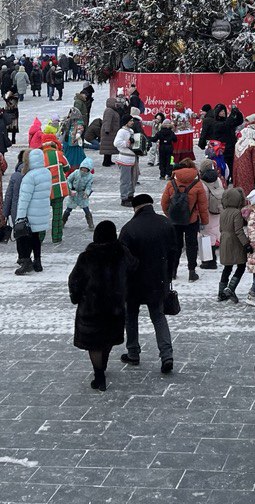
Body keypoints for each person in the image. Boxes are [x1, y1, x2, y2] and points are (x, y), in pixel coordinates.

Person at [68, 219, 135, 391]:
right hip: (115, 307)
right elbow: (134, 266)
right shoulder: (121, 252)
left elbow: (74, 280)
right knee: (108, 339)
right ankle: (103, 364)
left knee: (94, 343)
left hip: (92, 308)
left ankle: (99, 376)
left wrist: (76, 297)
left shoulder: (87, 257)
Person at [118, 193, 176, 371]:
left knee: (131, 316)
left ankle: (133, 352)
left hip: (134, 282)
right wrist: (169, 273)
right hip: (158, 280)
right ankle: (167, 355)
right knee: (158, 316)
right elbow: (174, 250)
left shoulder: (129, 228)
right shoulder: (165, 223)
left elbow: (122, 259)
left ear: (136, 208)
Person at [161, 157, 209, 282]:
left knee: (175, 245)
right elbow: (203, 206)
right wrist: (204, 221)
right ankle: (192, 272)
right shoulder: (198, 184)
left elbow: (164, 203)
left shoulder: (171, 183)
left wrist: (169, 215)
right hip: (192, 220)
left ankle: (173, 271)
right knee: (191, 245)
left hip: (175, 220)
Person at [14, 147, 51, 275]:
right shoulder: (46, 173)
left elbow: (24, 199)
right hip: (41, 211)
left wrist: (20, 217)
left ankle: (26, 262)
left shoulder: (29, 177)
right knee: (35, 237)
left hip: (30, 212)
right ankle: (38, 262)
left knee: (24, 237)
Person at [217, 187, 249, 302]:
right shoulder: (236, 213)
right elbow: (238, 231)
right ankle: (231, 288)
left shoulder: (223, 212)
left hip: (224, 239)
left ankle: (221, 293)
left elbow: (221, 228)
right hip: (234, 241)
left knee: (227, 266)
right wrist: (246, 244)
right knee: (241, 265)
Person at [63, 157, 95, 231]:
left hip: (82, 194)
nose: (83, 171)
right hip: (73, 194)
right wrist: (70, 188)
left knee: (86, 209)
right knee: (68, 209)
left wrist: (86, 193)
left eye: (85, 169)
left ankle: (90, 223)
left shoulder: (90, 176)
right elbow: (69, 180)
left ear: (89, 169)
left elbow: (89, 186)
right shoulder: (76, 172)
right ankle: (63, 221)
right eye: (82, 169)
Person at [114, 122, 139, 207]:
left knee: (133, 179)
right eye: (130, 120)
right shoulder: (121, 131)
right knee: (125, 180)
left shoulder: (131, 131)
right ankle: (124, 199)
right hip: (124, 158)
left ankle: (130, 196)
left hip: (132, 158)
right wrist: (127, 143)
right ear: (126, 121)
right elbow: (116, 143)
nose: (132, 122)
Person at [99, 97, 122, 169]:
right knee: (107, 148)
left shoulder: (112, 110)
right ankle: (105, 161)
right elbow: (107, 121)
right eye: (115, 103)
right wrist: (107, 130)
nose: (116, 104)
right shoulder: (109, 110)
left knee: (109, 147)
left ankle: (108, 160)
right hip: (108, 132)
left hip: (111, 132)